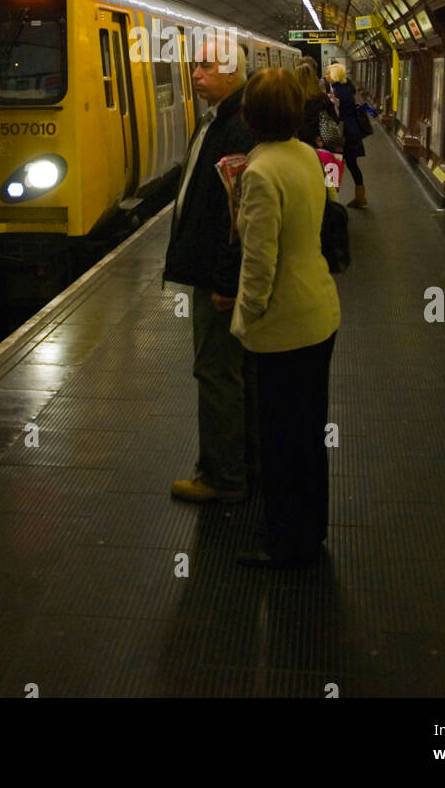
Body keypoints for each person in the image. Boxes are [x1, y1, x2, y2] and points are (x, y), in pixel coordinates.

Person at [230, 69, 340, 567]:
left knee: (280, 441)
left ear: (251, 115)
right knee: (308, 434)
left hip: (284, 324)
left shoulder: (258, 173)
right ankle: (310, 531)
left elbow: (259, 264)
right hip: (319, 310)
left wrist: (244, 318)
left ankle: (284, 545)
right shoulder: (305, 157)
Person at [164, 41, 257, 503]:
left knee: (216, 372)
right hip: (211, 273)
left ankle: (221, 477)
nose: (196, 74)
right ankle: (235, 467)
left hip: (218, 280)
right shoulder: (219, 118)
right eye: (194, 65)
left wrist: (226, 281)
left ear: (232, 72)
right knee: (224, 372)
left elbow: (234, 216)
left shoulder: (235, 127)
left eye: (206, 67)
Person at [326, 60, 368, 208]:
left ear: (335, 74)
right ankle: (360, 196)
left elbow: (337, 112)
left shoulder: (337, 91)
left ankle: (331, 198)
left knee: (334, 163)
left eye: (329, 72)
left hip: (343, 131)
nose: (326, 75)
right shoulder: (347, 88)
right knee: (352, 164)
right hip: (352, 129)